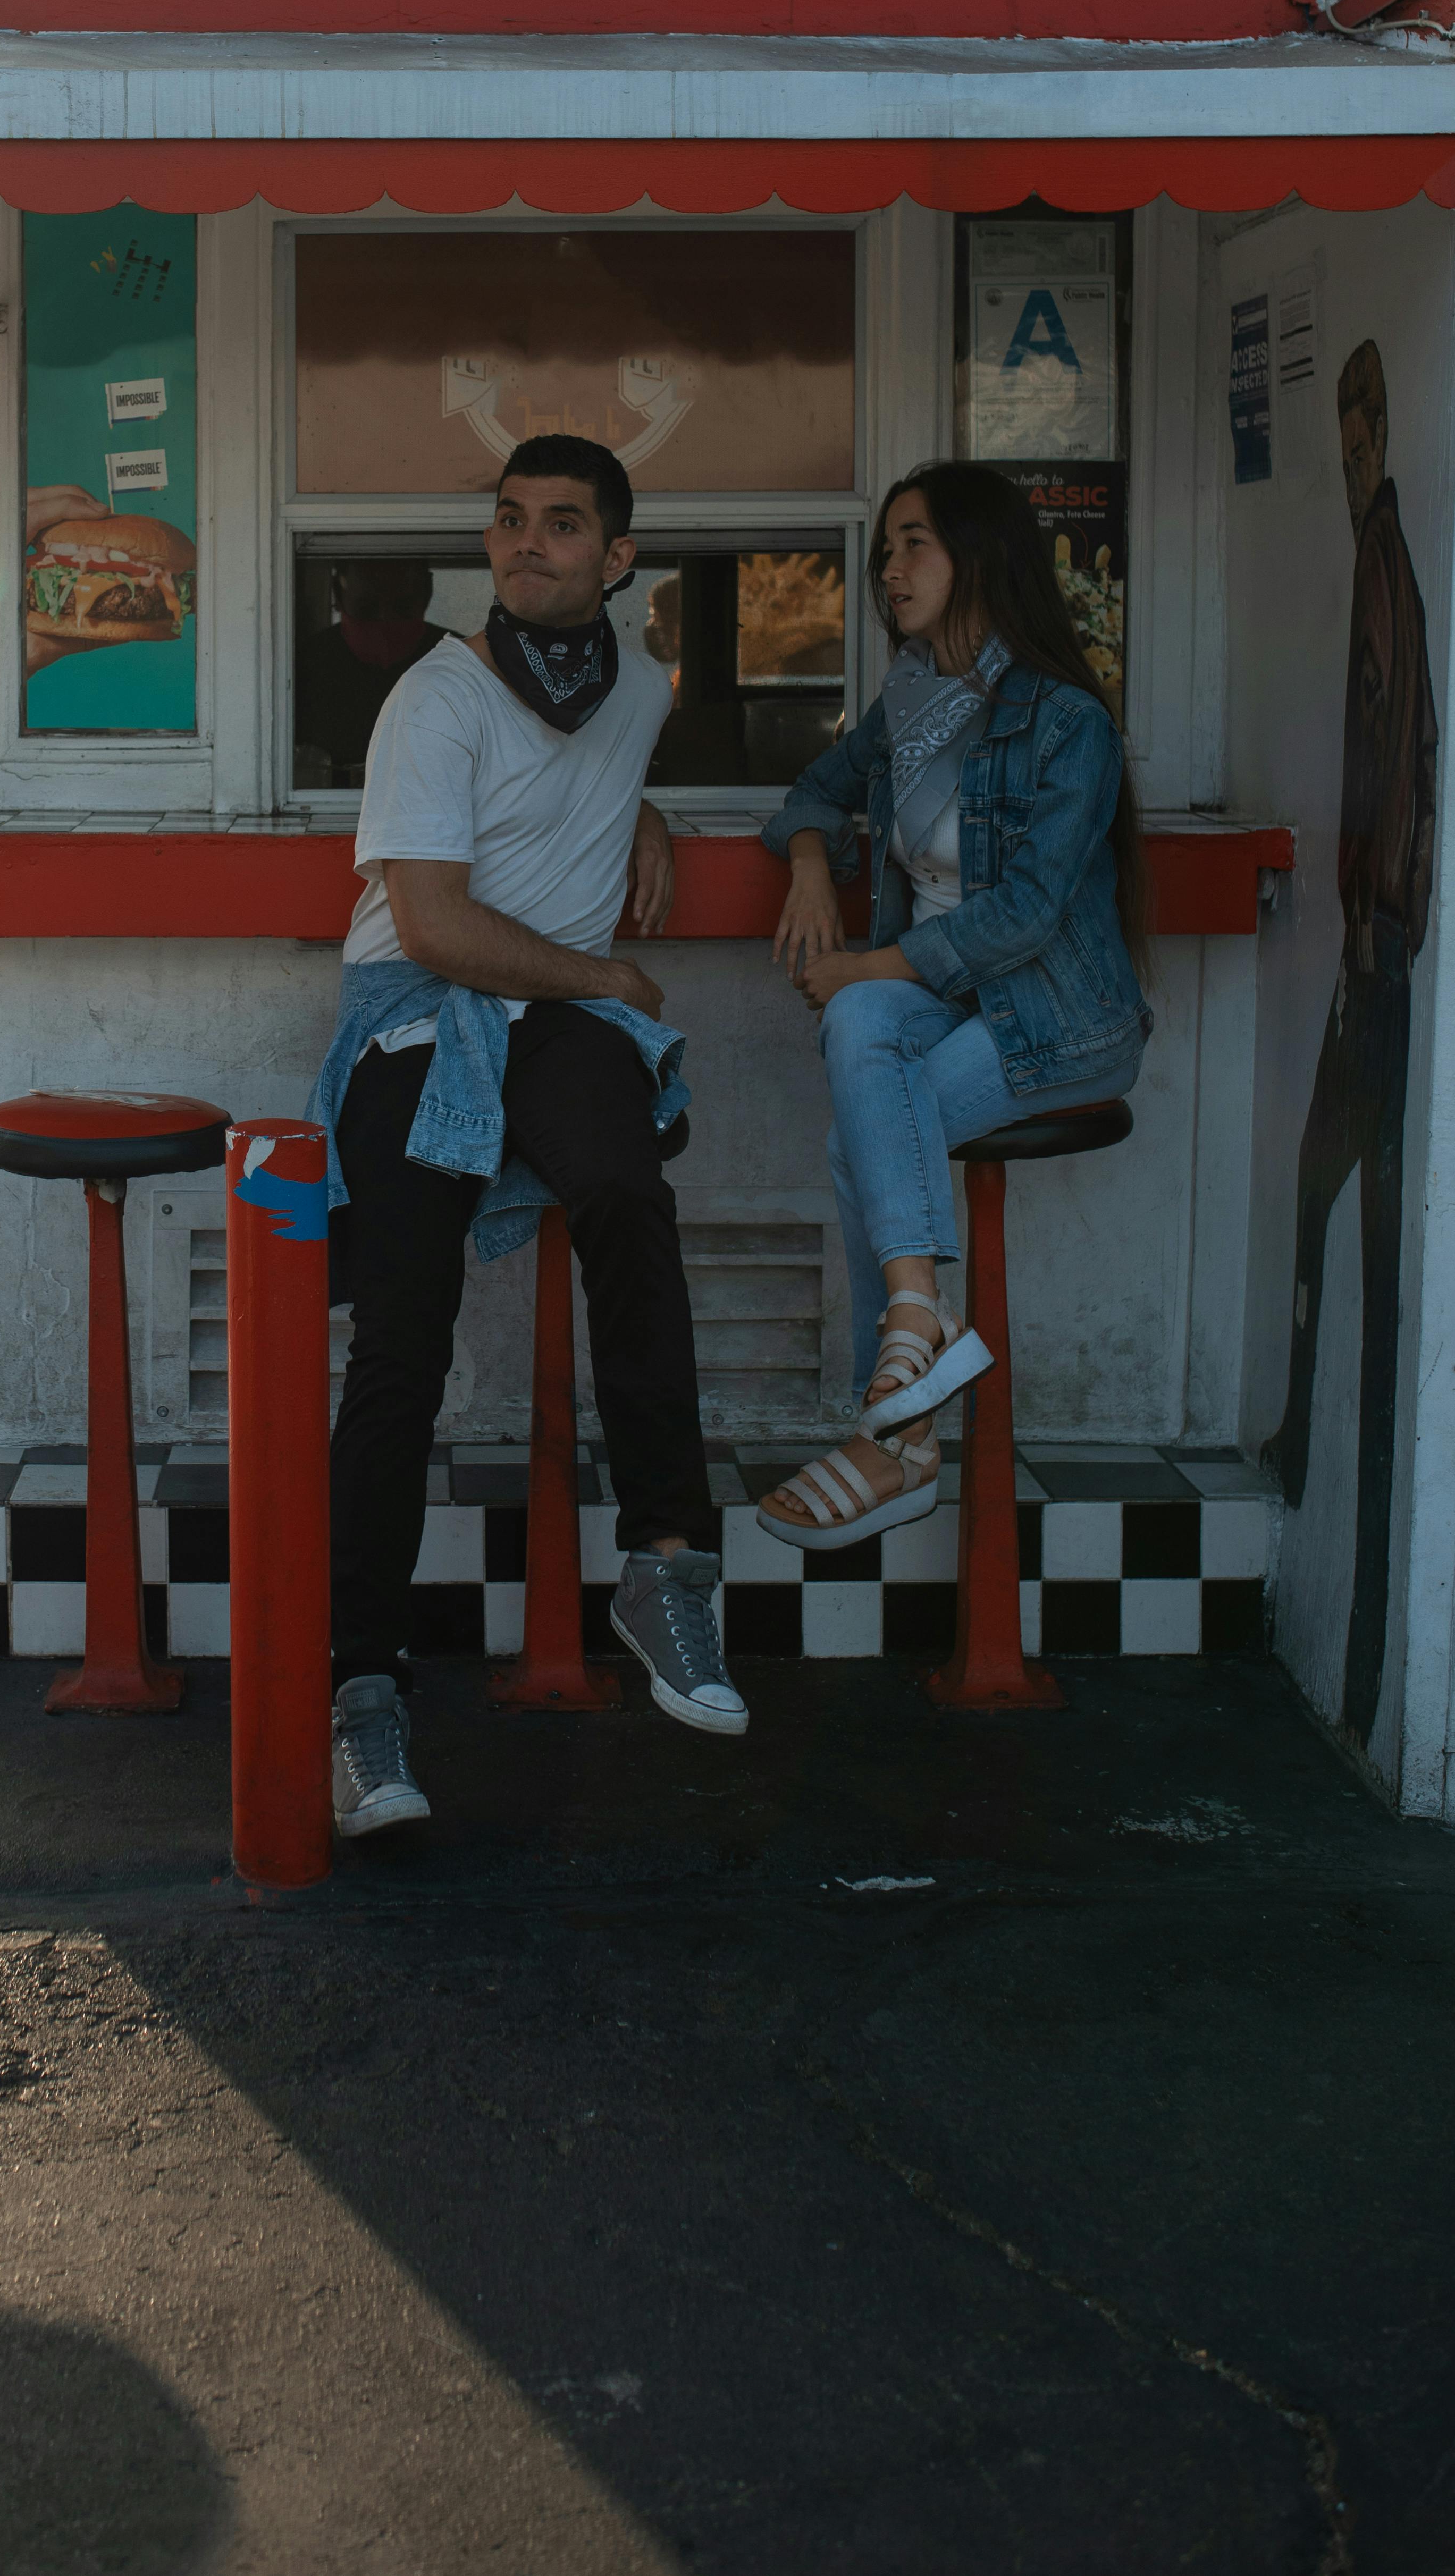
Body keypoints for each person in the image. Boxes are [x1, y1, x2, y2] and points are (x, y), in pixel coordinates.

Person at [308, 432, 741, 1842]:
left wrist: (649, 810)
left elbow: (584, 770)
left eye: (563, 526)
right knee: (403, 1331)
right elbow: (430, 922)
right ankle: (362, 1689)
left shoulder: (643, 694)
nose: (527, 545)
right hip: (425, 1009)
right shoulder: (435, 698)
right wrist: (607, 973)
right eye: (508, 521)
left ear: (619, 561)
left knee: (625, 1184)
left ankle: (666, 1567)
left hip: (544, 1013)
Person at [756, 462, 1151, 1552]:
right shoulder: (913, 706)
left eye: (913, 544)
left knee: (866, 1122)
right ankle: (918, 1354)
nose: (890, 569)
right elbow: (816, 792)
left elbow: (1024, 916)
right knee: (858, 1035)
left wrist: (865, 965)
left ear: (980, 555)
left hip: (1061, 1023)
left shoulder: (1067, 723)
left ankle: (899, 1429)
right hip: (946, 1005)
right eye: (885, 550)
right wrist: (804, 863)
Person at [1261, 340, 1437, 1743]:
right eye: (1348, 424)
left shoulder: (1391, 561)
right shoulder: (1373, 549)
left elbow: (1400, 754)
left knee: (1345, 1207)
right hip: (1365, 945)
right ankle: (1298, 1433)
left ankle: (1340, 1502)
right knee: (1326, 1203)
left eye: (1366, 422)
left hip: (1380, 955)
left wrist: (1376, 919)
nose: (1356, 446)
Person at [293, 559, 446, 785]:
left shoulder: (457, 661)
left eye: (403, 608)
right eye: (367, 609)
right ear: (337, 592)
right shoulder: (301, 666)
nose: (385, 621)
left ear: (427, 592)